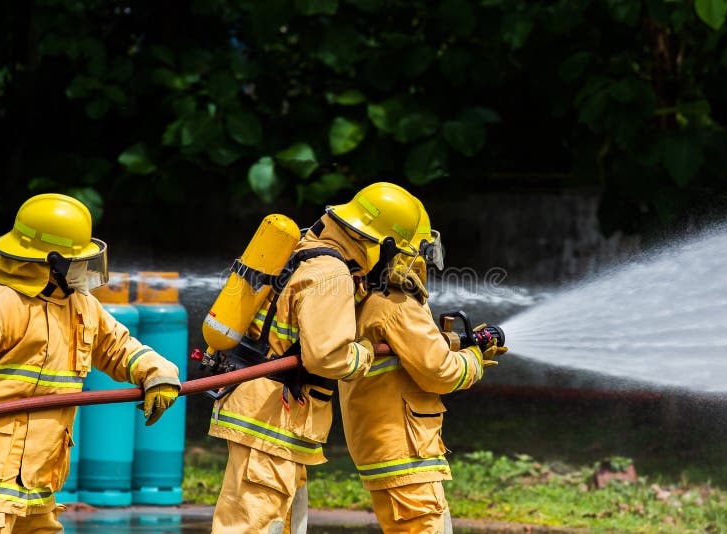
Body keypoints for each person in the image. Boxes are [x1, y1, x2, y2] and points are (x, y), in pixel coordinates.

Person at [209, 182, 424, 533]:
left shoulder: (308, 249)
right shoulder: (331, 273)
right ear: (382, 243)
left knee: (275, 521)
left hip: (262, 406)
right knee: (253, 524)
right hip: (272, 417)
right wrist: (364, 351)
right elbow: (326, 357)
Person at [0, 193, 181, 533]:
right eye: (76, 260)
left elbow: (119, 347)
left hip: (37, 489)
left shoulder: (80, 305)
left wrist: (158, 373)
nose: (84, 269)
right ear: (50, 262)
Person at [339, 204, 506, 533]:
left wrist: (451, 342)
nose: (425, 262)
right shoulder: (397, 304)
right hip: (405, 452)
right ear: (400, 252)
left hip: (386, 446)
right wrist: (474, 359)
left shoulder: (366, 299)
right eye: (422, 251)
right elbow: (439, 372)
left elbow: (410, 354)